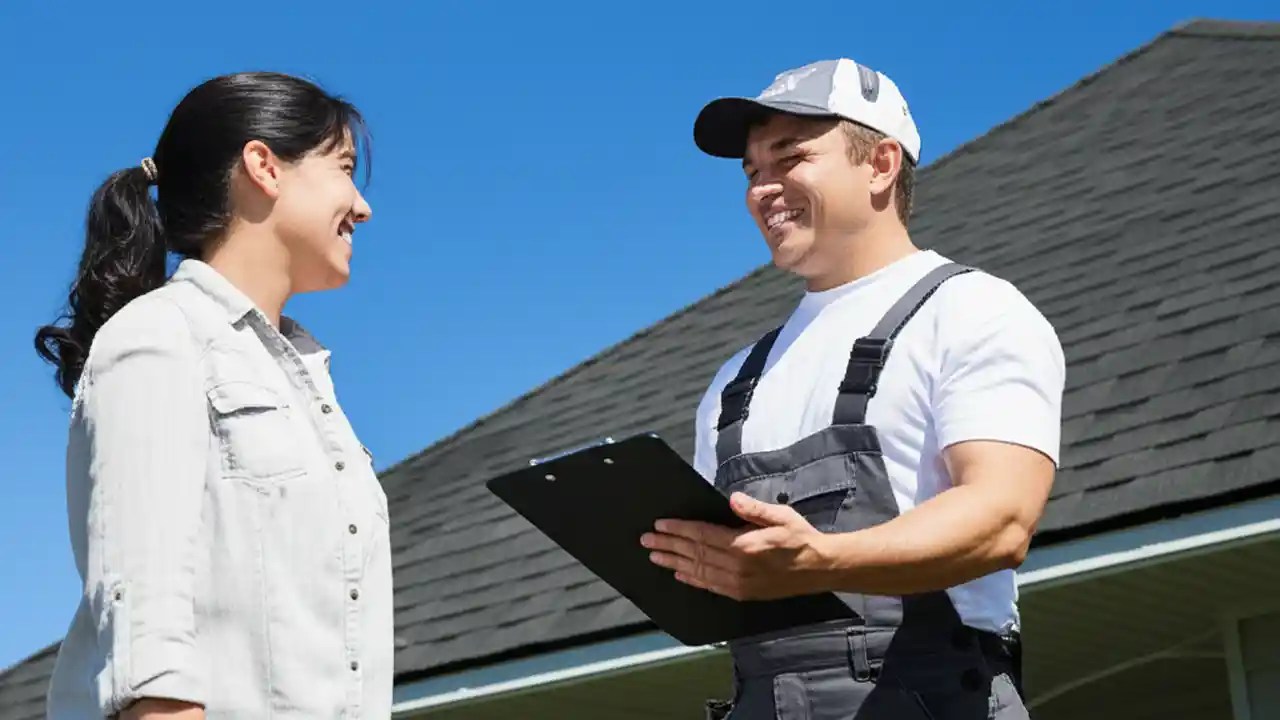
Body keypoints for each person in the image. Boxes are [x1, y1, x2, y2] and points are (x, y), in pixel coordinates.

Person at [641, 59, 1065, 718]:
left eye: (791, 158)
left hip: (931, 692)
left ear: (881, 164)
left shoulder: (971, 310)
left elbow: (1001, 519)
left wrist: (822, 559)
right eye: (752, 172)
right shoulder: (733, 384)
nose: (763, 189)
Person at [34, 72, 392, 719]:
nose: (362, 206)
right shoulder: (159, 338)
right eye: (344, 168)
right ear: (265, 167)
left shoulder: (308, 381)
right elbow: (146, 617)